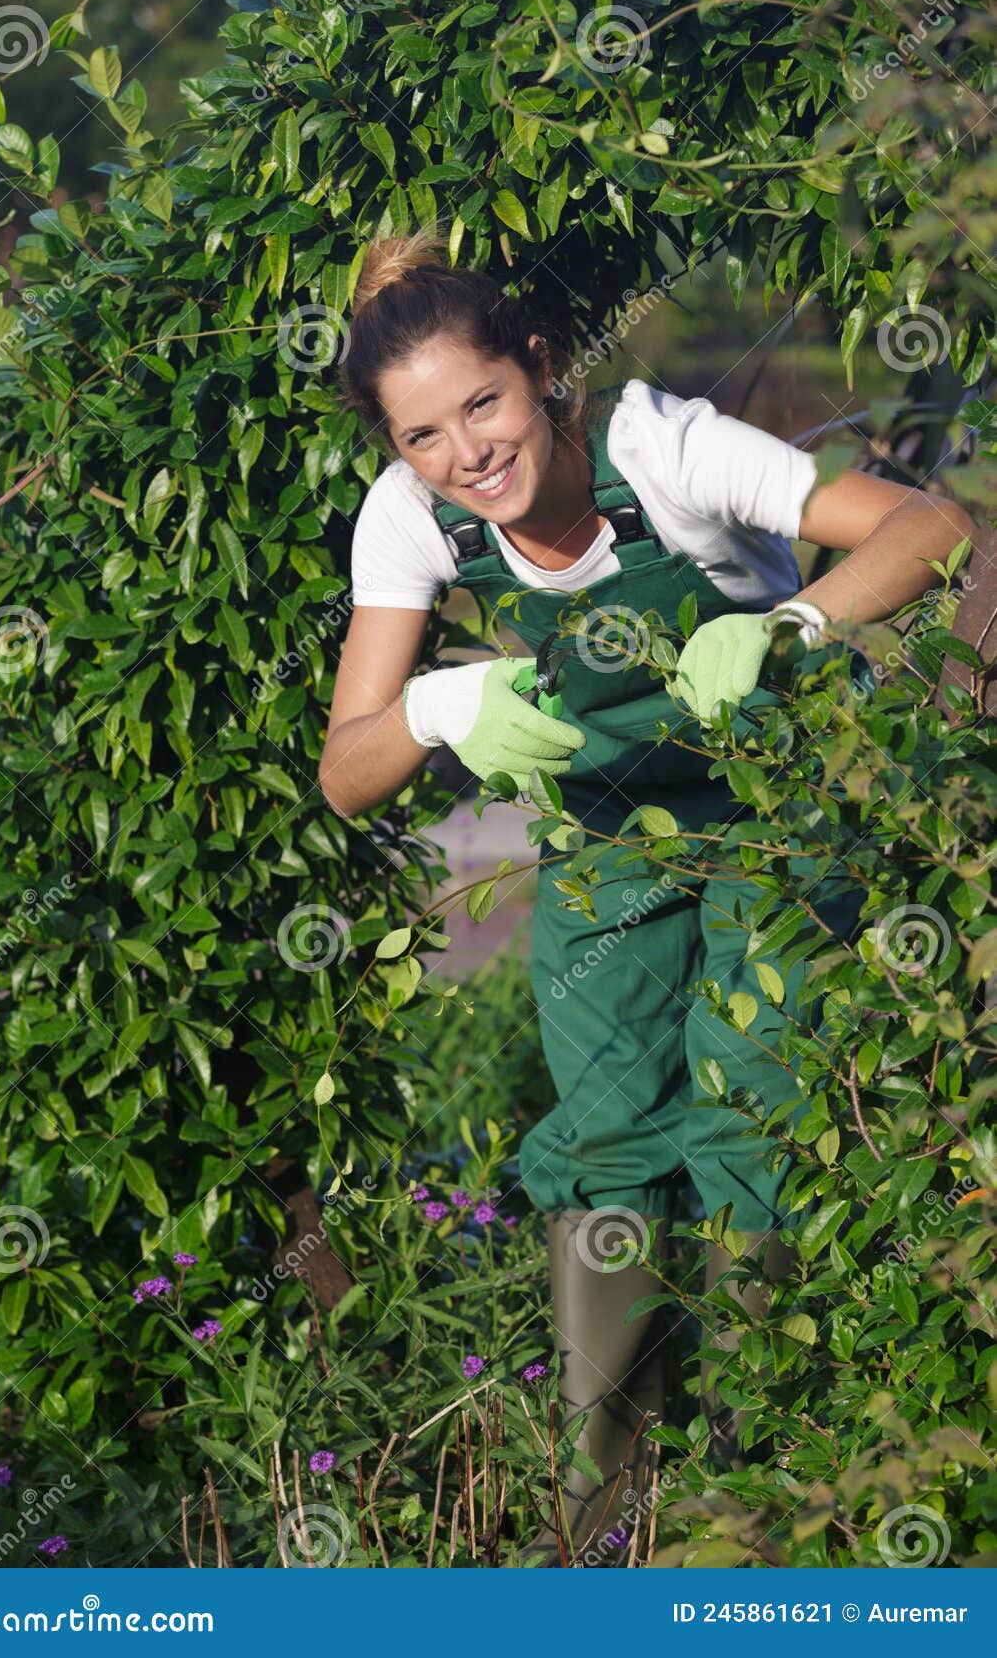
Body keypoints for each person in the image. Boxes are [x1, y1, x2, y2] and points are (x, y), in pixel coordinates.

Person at [318, 223, 974, 1564]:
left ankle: (763, 1496)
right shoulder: (414, 516)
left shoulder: (658, 445)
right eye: (425, 434)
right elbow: (347, 766)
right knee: (609, 1143)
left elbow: (932, 526)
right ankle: (602, 1527)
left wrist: (793, 625)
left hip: (777, 818)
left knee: (753, 1126)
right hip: (609, 840)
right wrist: (442, 702)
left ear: (542, 371)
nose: (466, 453)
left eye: (484, 405)